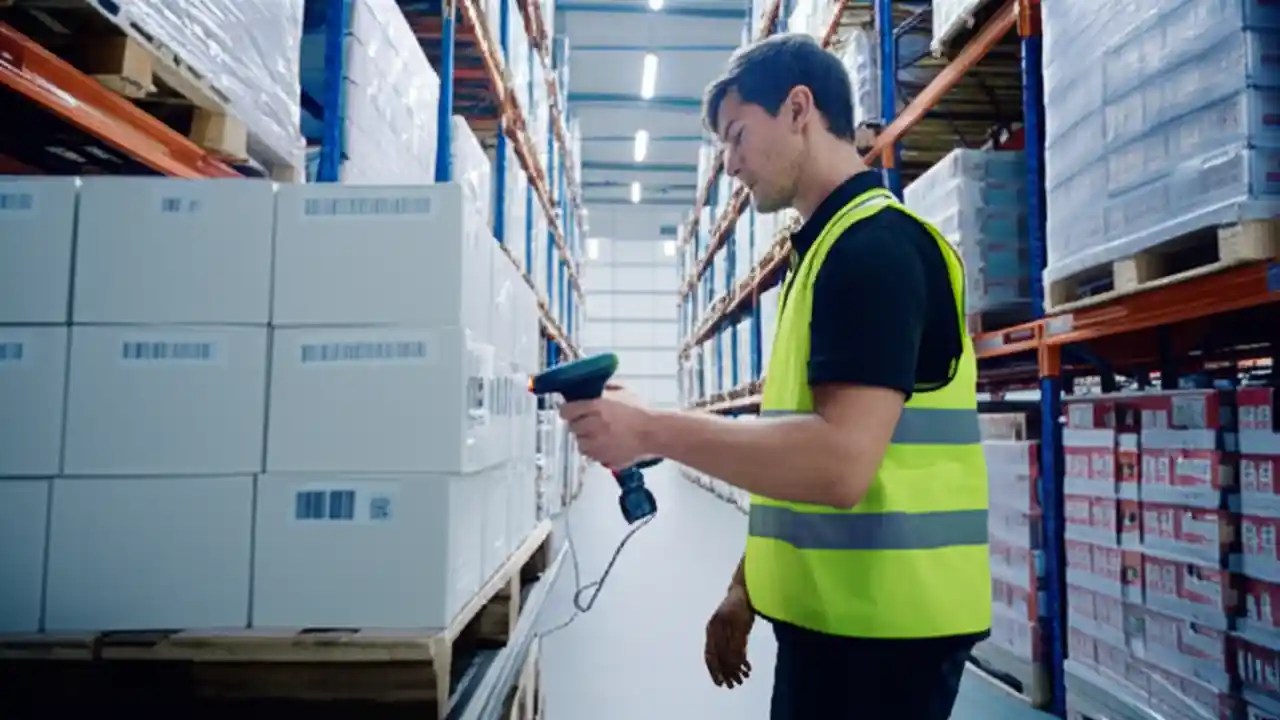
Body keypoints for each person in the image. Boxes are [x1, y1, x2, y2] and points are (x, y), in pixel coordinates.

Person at [558, 32, 992, 720]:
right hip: (841, 620)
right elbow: (794, 445)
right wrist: (748, 586)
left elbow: (839, 465)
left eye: (736, 137)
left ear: (798, 109)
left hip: (884, 634)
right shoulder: (818, 256)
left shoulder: (873, 249)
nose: (730, 165)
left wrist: (652, 428)